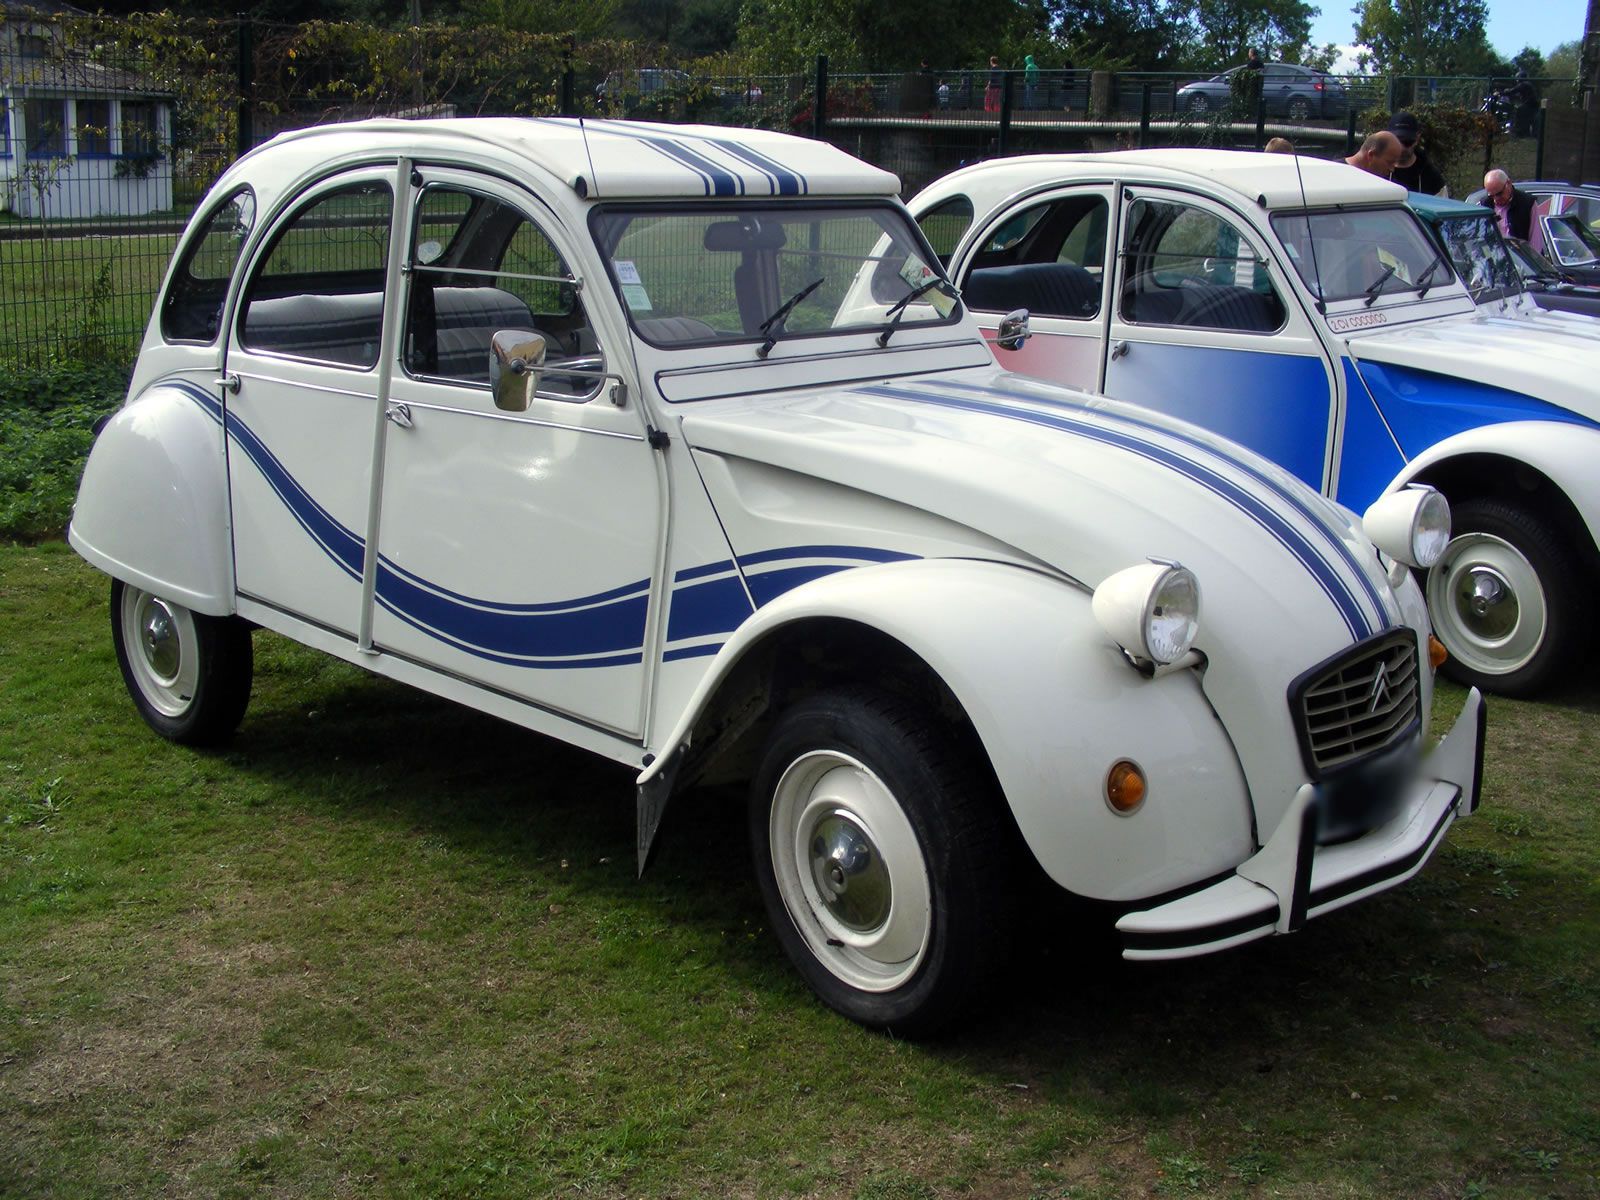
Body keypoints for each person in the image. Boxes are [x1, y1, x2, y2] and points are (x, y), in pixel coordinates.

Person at [1387, 112, 1446, 195]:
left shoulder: (1432, 178)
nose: (1402, 148)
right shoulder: (1377, 172)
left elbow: (1441, 206)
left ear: (1417, 139)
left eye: (1407, 142)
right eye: (1397, 141)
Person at [1481, 169, 1535, 240]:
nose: (1495, 199)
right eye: (1491, 195)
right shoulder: (1484, 205)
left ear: (1508, 183)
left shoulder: (1528, 203)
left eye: (1499, 194)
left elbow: (1535, 242)